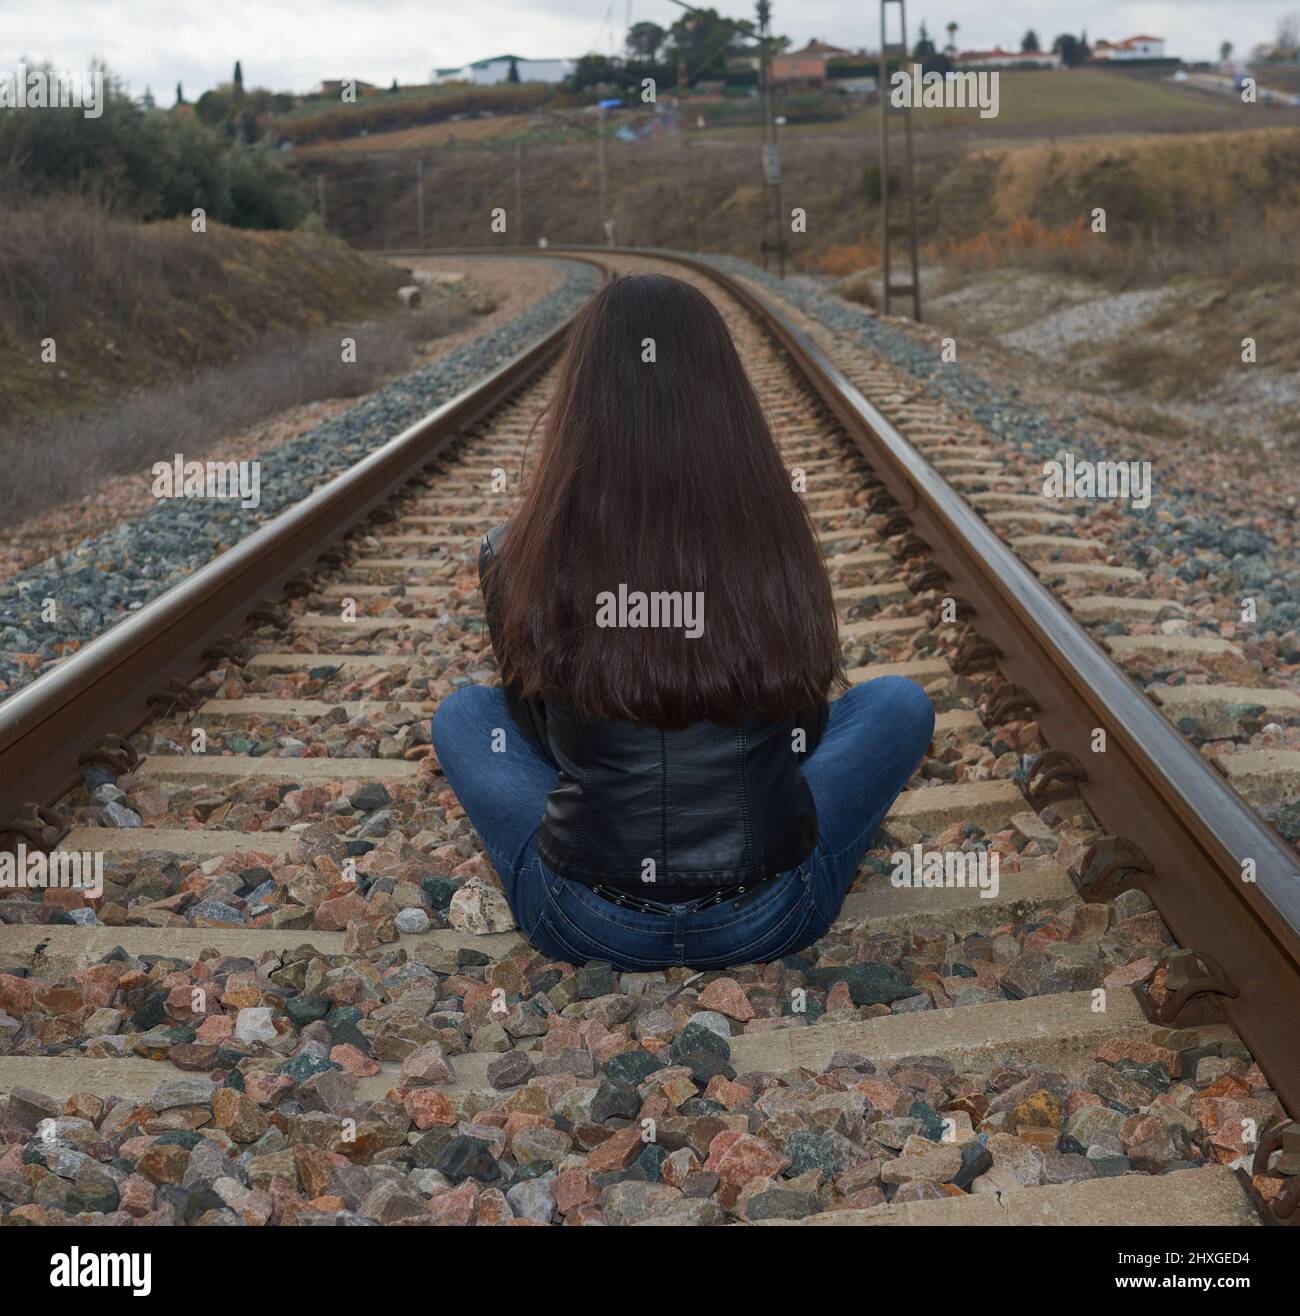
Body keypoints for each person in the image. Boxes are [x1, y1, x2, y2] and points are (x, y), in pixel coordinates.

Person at [432, 273, 933, 970]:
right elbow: (802, 729)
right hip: (768, 914)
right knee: (897, 703)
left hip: (585, 920)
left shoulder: (517, 550)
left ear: (580, 400)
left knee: (464, 714)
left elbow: (546, 740)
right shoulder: (776, 532)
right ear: (724, 394)